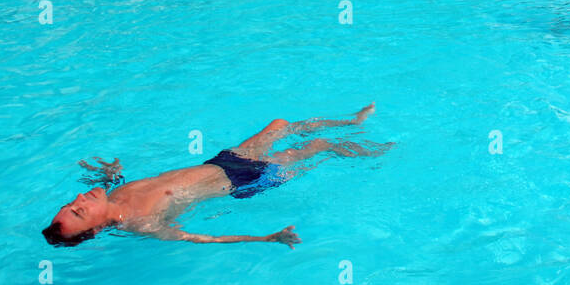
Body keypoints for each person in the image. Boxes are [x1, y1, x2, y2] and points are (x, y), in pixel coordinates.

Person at [43, 104, 385, 247]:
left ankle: (352, 122)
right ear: (99, 226)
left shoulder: (110, 197)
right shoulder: (143, 224)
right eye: (79, 211)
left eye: (70, 203)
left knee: (280, 125)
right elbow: (205, 239)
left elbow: (110, 189)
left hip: (224, 162)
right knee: (314, 147)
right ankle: (370, 153)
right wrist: (266, 239)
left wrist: (110, 173)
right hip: (243, 180)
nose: (77, 200)